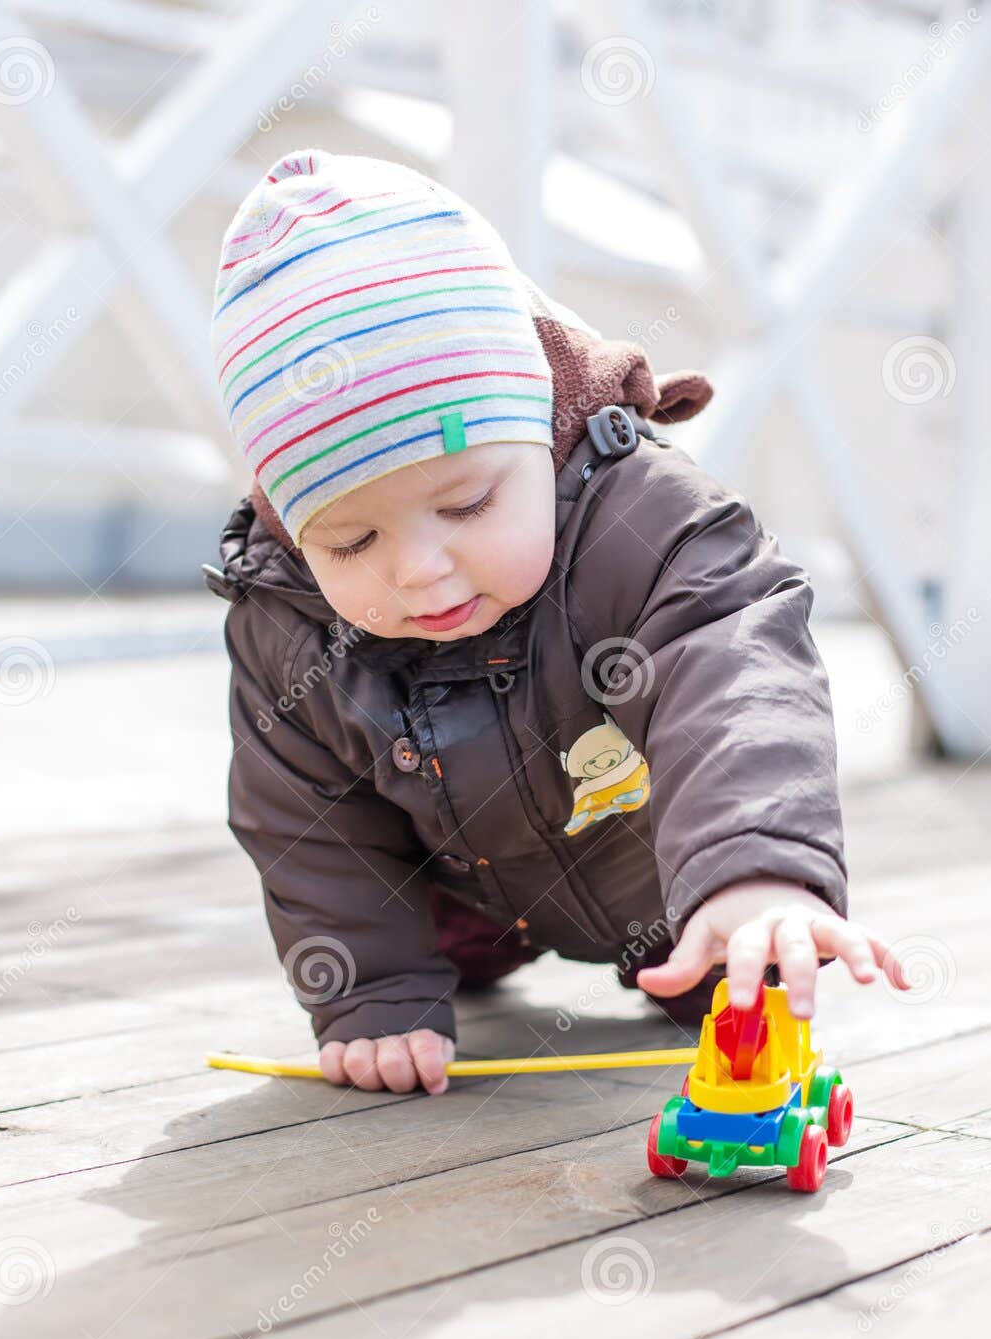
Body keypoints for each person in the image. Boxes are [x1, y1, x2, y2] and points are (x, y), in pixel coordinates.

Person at [207, 148, 908, 1096]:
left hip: (659, 873)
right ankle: (433, 959)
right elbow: (305, 817)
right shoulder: (287, 621)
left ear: (540, 433)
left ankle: (725, 907)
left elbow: (732, 671)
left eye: (465, 505)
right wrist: (371, 993)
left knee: (736, 979)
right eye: (350, 540)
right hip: (460, 885)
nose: (418, 570)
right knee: (413, 931)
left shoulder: (641, 526)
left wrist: (752, 868)